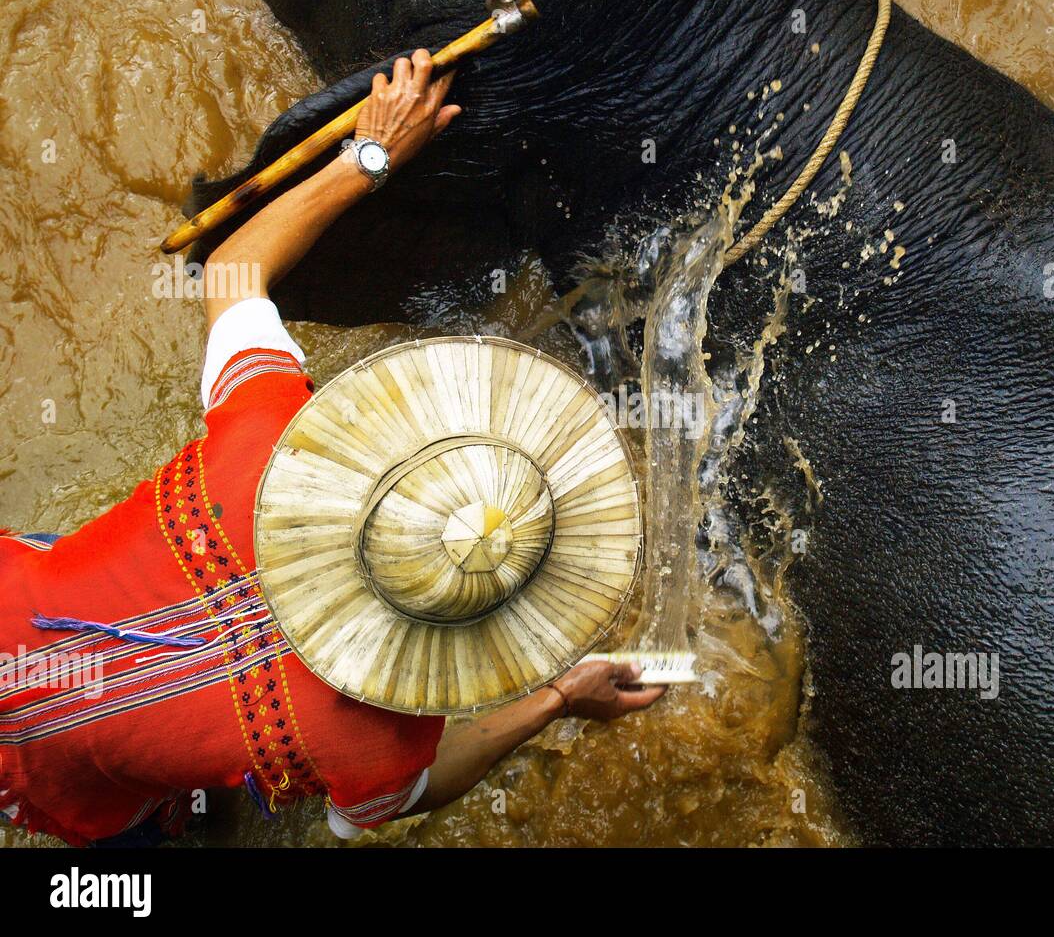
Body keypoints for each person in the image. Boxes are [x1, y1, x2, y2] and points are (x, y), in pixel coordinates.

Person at [0, 50, 665, 847]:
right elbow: (381, 808)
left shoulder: (268, 441)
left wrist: (373, 152)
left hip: (19, 609)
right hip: (70, 787)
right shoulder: (380, 746)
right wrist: (557, 697)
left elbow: (234, 272)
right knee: (146, 820)